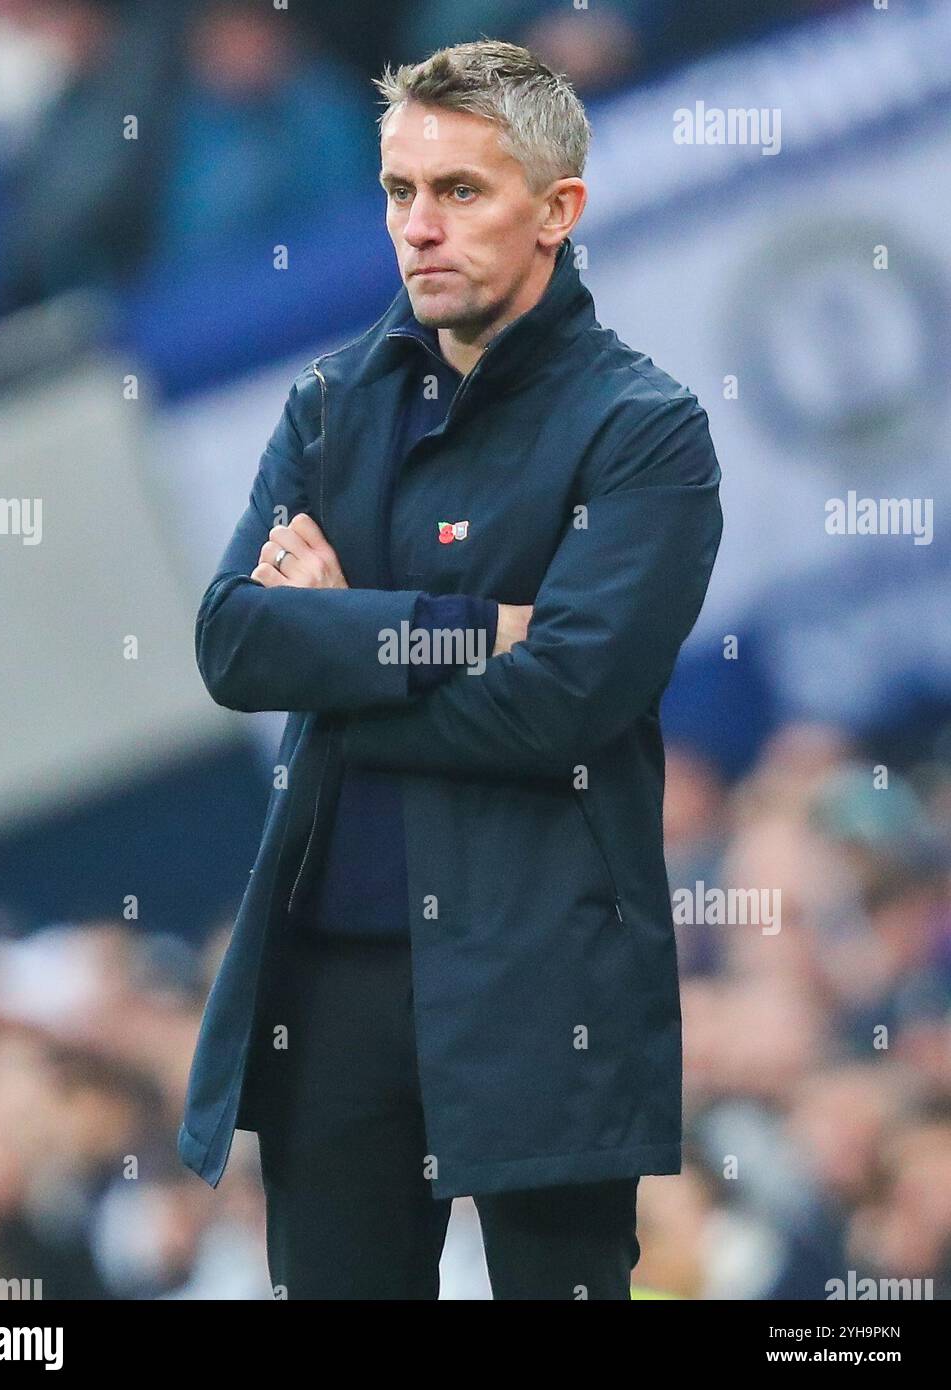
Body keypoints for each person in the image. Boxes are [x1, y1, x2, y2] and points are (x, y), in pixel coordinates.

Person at [179, 38, 723, 1300]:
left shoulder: (645, 430)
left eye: (460, 191)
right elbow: (231, 640)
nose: (418, 227)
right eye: (398, 192)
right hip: (326, 991)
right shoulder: (328, 403)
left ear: (557, 210)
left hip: (546, 983)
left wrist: (339, 653)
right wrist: (466, 627)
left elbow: (562, 706)